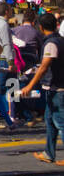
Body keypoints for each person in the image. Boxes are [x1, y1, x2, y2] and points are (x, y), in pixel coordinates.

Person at [19, 12, 63, 165]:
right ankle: (49, 153)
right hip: (54, 87)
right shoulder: (59, 40)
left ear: (41, 27)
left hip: (57, 88)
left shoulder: (51, 43)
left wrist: (30, 85)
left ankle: (50, 153)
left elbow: (44, 66)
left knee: (60, 122)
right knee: (50, 121)